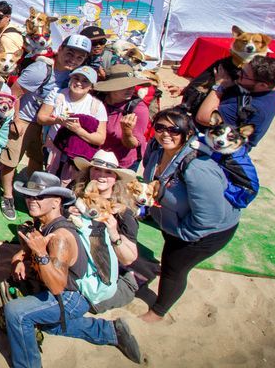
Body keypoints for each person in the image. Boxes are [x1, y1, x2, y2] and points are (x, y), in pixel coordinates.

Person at [5, 171, 142, 367]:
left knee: (16, 313)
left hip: (72, 297)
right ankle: (111, 331)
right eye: (29, 196)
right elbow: (25, 251)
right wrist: (19, 260)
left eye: (39, 197)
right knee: (49, 325)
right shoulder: (44, 223)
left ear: (56, 202)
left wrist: (41, 254)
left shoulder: (60, 237)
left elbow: (57, 287)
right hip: (64, 290)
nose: (32, 200)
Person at [140, 108, 240, 323]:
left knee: (174, 267)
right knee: (171, 256)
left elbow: (209, 218)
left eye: (174, 129)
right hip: (175, 221)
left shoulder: (198, 167)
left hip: (207, 232)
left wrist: (181, 233)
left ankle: (157, 312)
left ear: (188, 134)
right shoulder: (157, 150)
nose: (166, 133)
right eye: (160, 127)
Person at [0, 34, 91, 220]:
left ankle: (32, 193)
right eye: (69, 53)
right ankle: (7, 196)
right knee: (11, 159)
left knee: (37, 159)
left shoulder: (75, 76)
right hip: (25, 118)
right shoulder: (41, 70)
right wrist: (15, 119)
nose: (73, 59)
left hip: (48, 125)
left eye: (79, 57)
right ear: (60, 49)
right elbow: (14, 92)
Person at [71, 151, 143, 313]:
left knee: (80, 303)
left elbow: (129, 258)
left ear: (115, 178)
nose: (101, 175)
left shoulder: (123, 213)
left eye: (108, 172)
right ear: (89, 172)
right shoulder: (76, 197)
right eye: (97, 169)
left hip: (110, 276)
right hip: (80, 267)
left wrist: (114, 233)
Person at [38, 65, 107, 183]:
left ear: (91, 86)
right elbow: (41, 118)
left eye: (85, 81)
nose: (79, 83)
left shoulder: (97, 106)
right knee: (49, 182)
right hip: (53, 149)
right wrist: (57, 121)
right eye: (76, 78)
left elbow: (100, 139)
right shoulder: (57, 94)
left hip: (78, 158)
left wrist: (78, 130)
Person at [196, 55, 275, 148]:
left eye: (245, 75)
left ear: (262, 85)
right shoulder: (270, 90)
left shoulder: (251, 106)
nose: (238, 73)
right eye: (242, 69)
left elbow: (202, 117)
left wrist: (219, 86)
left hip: (216, 144)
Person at [94, 64, 150, 171]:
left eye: (132, 85)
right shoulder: (97, 100)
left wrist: (127, 132)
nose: (130, 89)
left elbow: (132, 145)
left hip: (122, 164)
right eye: (124, 86)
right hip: (97, 158)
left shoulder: (138, 108)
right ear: (110, 87)